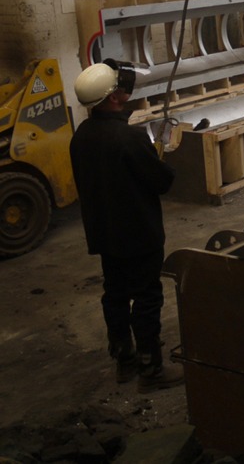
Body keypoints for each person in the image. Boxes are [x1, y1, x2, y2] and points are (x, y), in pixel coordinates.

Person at [70, 60, 183, 393]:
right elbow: (161, 182)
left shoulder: (81, 137)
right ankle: (152, 371)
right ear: (115, 97)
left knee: (115, 295)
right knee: (147, 298)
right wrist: (159, 156)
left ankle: (126, 361)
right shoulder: (129, 138)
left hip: (105, 234)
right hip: (139, 233)